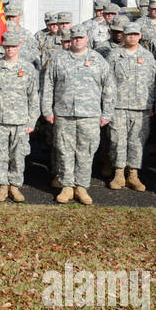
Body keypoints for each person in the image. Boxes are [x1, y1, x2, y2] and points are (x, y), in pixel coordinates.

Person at [41, 23, 115, 205]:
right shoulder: (58, 59)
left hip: (89, 115)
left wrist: (107, 113)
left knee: (86, 151)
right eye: (74, 38)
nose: (77, 41)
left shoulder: (98, 60)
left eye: (80, 38)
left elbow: (109, 88)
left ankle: (81, 186)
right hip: (63, 113)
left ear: (87, 39)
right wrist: (47, 110)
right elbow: (47, 86)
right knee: (64, 150)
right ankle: (67, 186)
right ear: (69, 40)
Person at [0, 30, 40, 202]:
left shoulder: (27, 68)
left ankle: (15, 186)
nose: (10, 50)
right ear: (2, 47)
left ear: (19, 46)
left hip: (21, 121)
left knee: (18, 155)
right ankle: (3, 186)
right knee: (0, 155)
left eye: (13, 46)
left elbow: (33, 96)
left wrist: (32, 120)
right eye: (7, 46)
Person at [106, 21, 156, 192]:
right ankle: (119, 173)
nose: (132, 37)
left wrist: (151, 105)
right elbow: (107, 82)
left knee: (137, 142)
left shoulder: (148, 57)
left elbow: (153, 82)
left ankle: (133, 174)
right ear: (124, 36)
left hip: (141, 107)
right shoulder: (113, 56)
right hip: (118, 106)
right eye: (129, 34)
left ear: (140, 36)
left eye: (135, 34)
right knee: (117, 140)